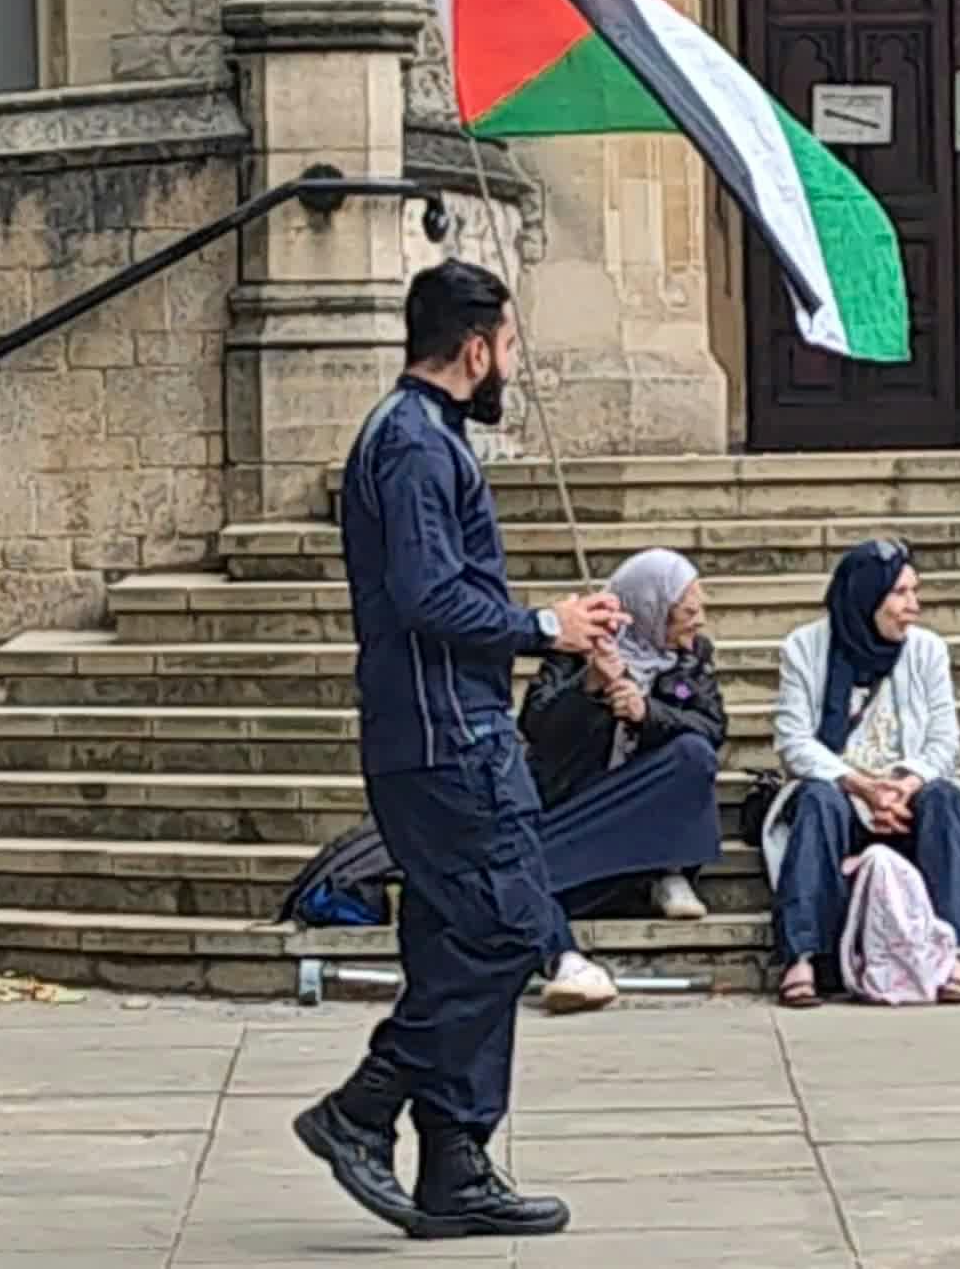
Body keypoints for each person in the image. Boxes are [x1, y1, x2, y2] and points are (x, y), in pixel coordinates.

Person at [292, 260, 623, 1241]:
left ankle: (456, 1161)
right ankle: (363, 1107)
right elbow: (428, 597)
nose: (510, 367)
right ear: (476, 349)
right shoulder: (413, 447)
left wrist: (551, 626)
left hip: (445, 729)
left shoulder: (422, 439)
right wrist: (544, 625)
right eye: (509, 348)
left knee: (452, 937)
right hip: (446, 738)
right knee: (506, 930)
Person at [759, 538, 960, 1007]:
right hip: (843, 791)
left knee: (945, 797)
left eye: (915, 592)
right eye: (900, 593)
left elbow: (944, 741)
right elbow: (794, 741)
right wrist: (862, 789)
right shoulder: (804, 648)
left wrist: (905, 785)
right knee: (816, 798)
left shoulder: (928, 650)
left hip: (905, 796)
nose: (913, 606)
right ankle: (801, 957)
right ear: (865, 597)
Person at [518, 547, 729, 1012]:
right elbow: (536, 726)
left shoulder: (692, 656)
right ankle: (564, 952)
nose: (698, 623)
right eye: (688, 612)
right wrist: (590, 686)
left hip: (643, 810)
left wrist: (646, 711)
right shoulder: (581, 645)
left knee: (691, 753)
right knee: (519, 868)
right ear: (653, 609)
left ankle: (667, 869)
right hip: (578, 804)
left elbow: (712, 728)